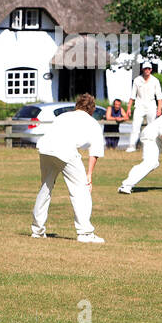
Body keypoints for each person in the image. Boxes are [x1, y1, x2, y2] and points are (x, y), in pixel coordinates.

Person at [31, 93, 106, 243]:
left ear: (77, 106)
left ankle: (37, 230)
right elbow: (95, 152)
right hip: (65, 151)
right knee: (81, 190)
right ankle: (85, 233)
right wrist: (89, 176)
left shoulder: (63, 116)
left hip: (45, 148)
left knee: (45, 187)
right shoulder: (92, 123)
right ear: (91, 109)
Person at [124, 61, 162, 152]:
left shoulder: (155, 81)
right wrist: (129, 108)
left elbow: (159, 97)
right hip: (139, 105)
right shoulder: (137, 80)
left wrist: (159, 109)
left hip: (151, 105)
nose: (147, 70)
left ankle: (152, 146)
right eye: (145, 68)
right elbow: (132, 95)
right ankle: (132, 145)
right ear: (142, 69)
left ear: (151, 70)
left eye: (148, 69)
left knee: (152, 126)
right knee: (135, 126)